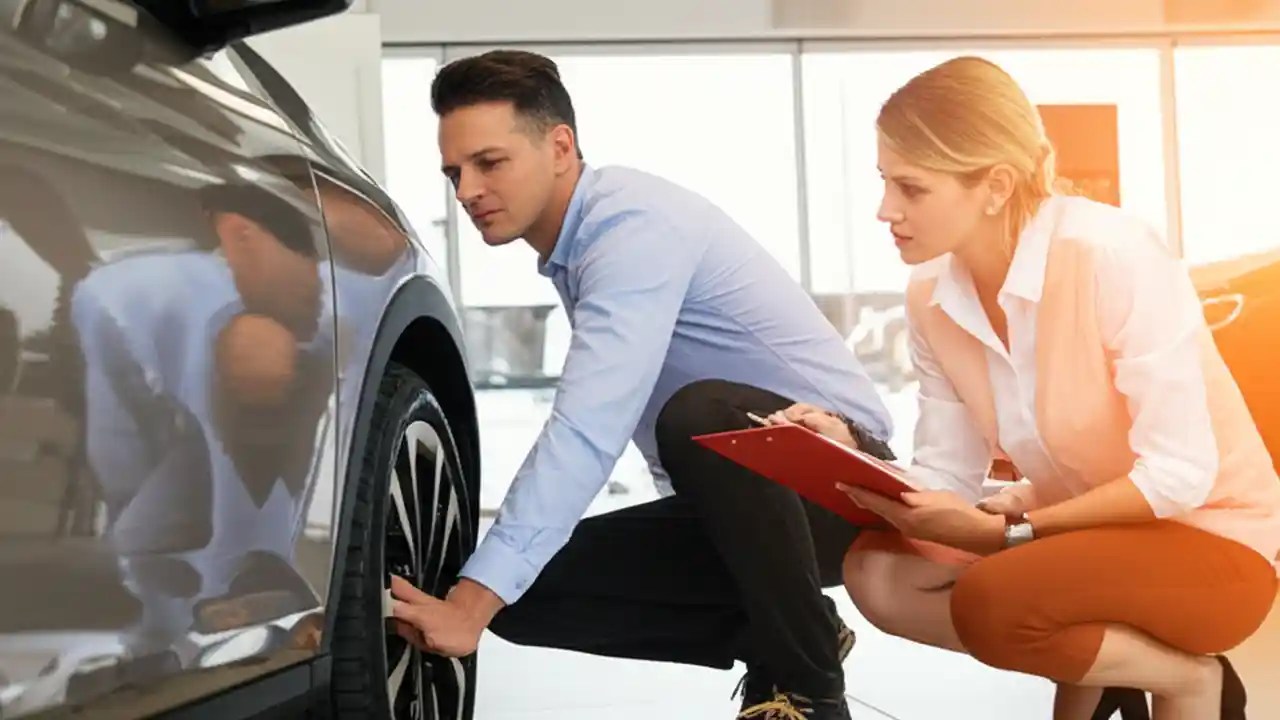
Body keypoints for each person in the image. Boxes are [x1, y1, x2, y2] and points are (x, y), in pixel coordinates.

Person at [386, 49, 894, 719]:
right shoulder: (577, 249)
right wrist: (485, 592)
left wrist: (471, 606)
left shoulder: (632, 228)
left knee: (700, 412)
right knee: (523, 589)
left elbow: (588, 427)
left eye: (490, 162)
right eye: (455, 172)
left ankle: (809, 689)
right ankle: (792, 632)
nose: (466, 191)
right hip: (740, 506)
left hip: (839, 482)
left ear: (560, 146)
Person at [795, 55, 1279, 720]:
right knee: (877, 574)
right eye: (884, 183)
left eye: (912, 188)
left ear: (994, 185)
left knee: (997, 600)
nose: (885, 210)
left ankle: (1190, 680)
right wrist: (851, 454)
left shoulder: (1108, 254)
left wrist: (1015, 533)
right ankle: (1110, 662)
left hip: (1208, 539)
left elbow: (1180, 475)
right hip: (1076, 541)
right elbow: (948, 475)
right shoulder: (932, 295)